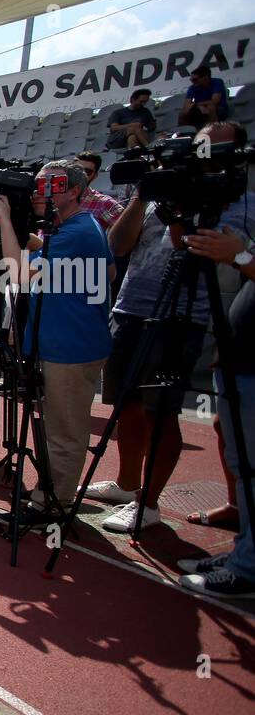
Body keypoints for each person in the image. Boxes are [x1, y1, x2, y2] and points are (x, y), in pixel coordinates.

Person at [90, 122, 254, 533]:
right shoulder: (154, 197)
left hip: (183, 317)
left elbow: (188, 246)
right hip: (130, 310)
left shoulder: (241, 202)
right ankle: (127, 485)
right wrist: (143, 195)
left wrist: (182, 210)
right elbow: (118, 245)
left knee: (160, 411)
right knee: (124, 404)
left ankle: (148, 503)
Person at [0, 160, 115, 518]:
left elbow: (16, 271)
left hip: (70, 347)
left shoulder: (77, 230)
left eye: (53, 185)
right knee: (53, 427)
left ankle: (55, 504)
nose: (41, 191)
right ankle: (47, 493)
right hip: (63, 342)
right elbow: (105, 270)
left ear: (76, 190)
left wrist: (4, 220)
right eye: (39, 184)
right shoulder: (75, 226)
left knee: (64, 430)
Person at [177, 223, 255, 597]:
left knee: (253, 466)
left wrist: (239, 255)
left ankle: (248, 570)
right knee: (242, 462)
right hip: (242, 360)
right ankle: (245, 553)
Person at [73, 152, 124, 233]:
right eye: (77, 169)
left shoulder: (104, 203)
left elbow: (127, 232)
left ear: (95, 176)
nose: (81, 175)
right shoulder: (56, 197)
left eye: (87, 171)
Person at [180, 65, 229, 130]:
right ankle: (183, 133)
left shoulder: (217, 82)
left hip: (220, 109)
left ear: (205, 77)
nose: (192, 82)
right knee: (183, 112)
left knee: (211, 107)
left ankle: (212, 131)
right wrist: (199, 107)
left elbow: (215, 101)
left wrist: (198, 105)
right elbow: (187, 104)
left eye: (195, 80)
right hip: (200, 109)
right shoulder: (192, 88)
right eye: (191, 80)